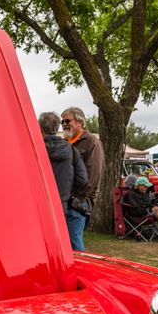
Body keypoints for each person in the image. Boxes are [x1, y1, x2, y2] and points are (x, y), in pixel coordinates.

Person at [39, 112, 89, 251]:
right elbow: (83, 180)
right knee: (68, 246)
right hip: (63, 204)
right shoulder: (71, 151)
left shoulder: (34, 150)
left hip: (40, 206)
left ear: (40, 129)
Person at [61, 107, 104, 250]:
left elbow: (93, 175)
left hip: (78, 201)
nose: (64, 124)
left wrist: (78, 198)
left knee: (74, 242)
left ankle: (79, 271)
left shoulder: (92, 142)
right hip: (65, 201)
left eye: (68, 120)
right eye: (62, 121)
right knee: (64, 243)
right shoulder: (65, 142)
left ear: (80, 122)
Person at [123, 176, 158, 243]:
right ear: (140, 185)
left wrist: (154, 207)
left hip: (148, 212)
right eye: (145, 186)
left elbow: (149, 204)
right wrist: (150, 210)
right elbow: (136, 209)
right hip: (141, 215)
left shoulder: (143, 193)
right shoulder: (130, 194)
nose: (147, 188)